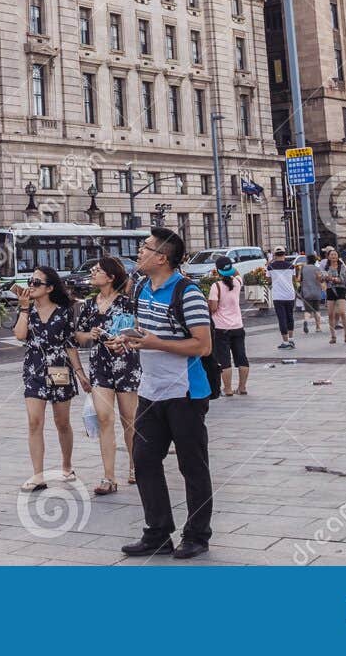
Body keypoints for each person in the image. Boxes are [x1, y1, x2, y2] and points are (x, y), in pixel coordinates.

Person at [118, 226, 213, 560]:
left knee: (192, 465)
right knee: (143, 460)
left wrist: (156, 343)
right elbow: (147, 331)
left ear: (162, 257)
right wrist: (128, 339)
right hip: (151, 389)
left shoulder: (188, 293)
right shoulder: (143, 287)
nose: (139, 252)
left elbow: (203, 345)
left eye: (145, 247)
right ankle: (157, 532)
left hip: (185, 393)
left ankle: (197, 535)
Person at [13, 267, 89, 492]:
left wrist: (80, 373)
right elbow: (19, 335)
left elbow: (70, 344)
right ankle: (38, 475)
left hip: (59, 369)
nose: (32, 285)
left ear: (50, 288)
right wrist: (25, 309)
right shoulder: (27, 309)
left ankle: (67, 465)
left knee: (62, 422)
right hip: (34, 369)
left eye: (37, 282)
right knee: (34, 422)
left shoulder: (64, 311)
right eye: (30, 281)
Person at [75, 257, 140, 494]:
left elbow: (138, 332)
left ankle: (135, 466)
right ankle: (109, 477)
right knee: (104, 419)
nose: (93, 273)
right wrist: (89, 335)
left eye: (98, 270)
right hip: (100, 365)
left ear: (111, 277)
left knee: (128, 420)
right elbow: (78, 337)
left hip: (125, 363)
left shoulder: (127, 303)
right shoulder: (89, 305)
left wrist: (124, 340)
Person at [206, 258, 248, 398]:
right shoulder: (237, 282)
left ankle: (228, 389)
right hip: (238, 326)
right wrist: (230, 268)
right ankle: (242, 387)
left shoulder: (216, 286)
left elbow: (213, 307)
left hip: (221, 327)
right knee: (241, 357)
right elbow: (237, 273)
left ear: (217, 270)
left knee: (224, 359)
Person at [266, 247, 297, 349]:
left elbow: (268, 281)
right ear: (284, 254)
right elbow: (293, 279)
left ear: (275, 255)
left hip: (278, 295)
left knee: (282, 318)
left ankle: (285, 341)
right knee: (290, 316)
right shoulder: (291, 266)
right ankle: (291, 340)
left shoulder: (270, 267)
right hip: (290, 294)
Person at [321, 247, 346, 344]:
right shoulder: (326, 268)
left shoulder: (342, 266)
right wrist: (322, 278)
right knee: (330, 314)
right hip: (330, 291)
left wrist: (331, 279)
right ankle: (333, 336)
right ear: (328, 257)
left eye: (335, 255)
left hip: (341, 290)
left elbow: (343, 279)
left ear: (338, 256)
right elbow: (323, 279)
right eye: (331, 255)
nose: (333, 256)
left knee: (342, 312)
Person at [297, 252, 325, 336]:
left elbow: (299, 279)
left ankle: (306, 320)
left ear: (307, 260)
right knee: (317, 309)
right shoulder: (317, 269)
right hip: (316, 291)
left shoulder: (303, 268)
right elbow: (321, 280)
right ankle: (318, 327)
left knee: (308, 310)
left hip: (306, 292)